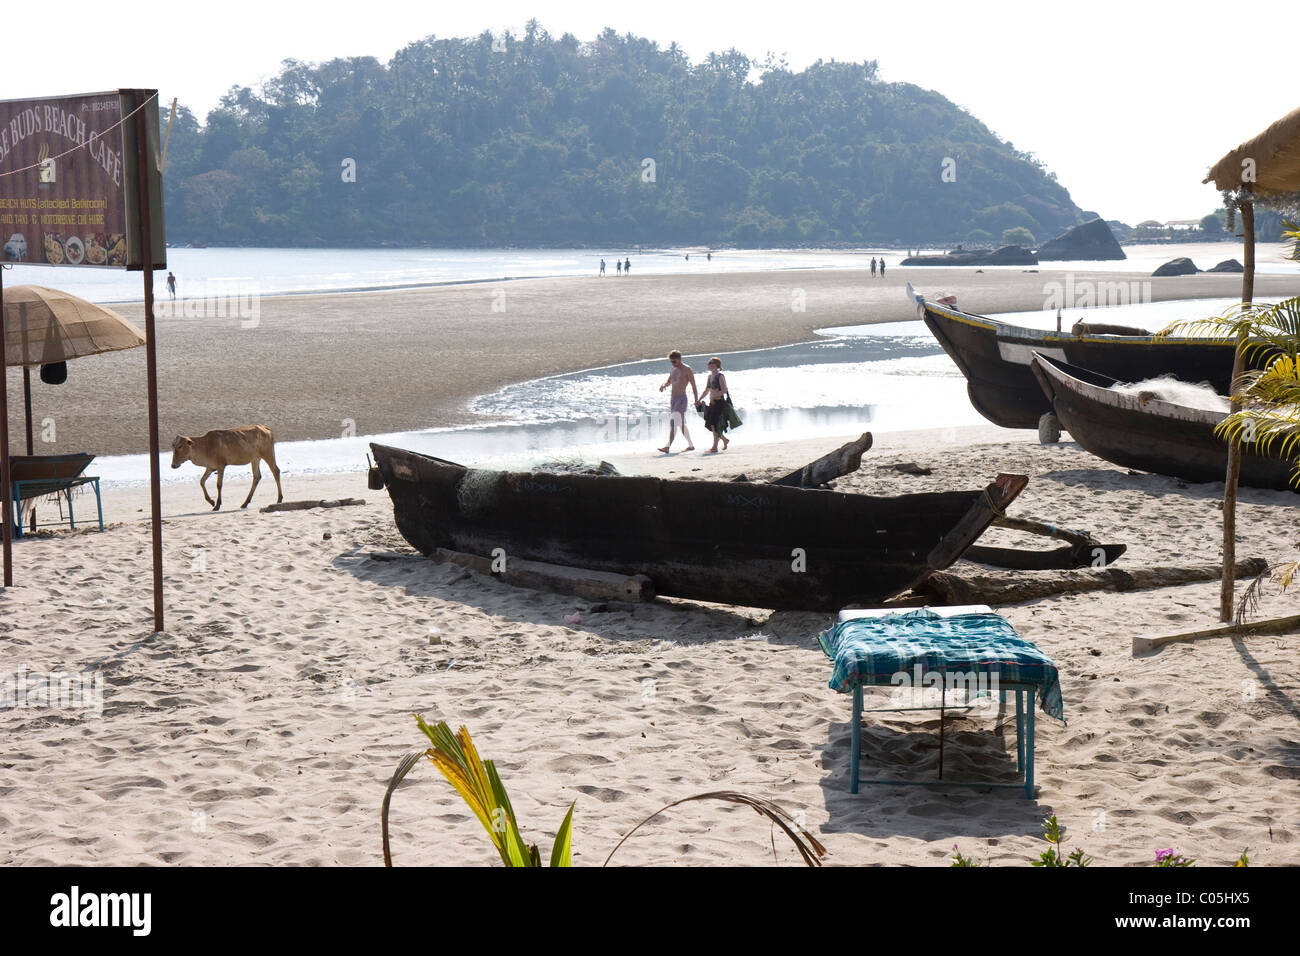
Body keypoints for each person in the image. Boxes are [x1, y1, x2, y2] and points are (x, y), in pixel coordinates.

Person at [657, 350, 697, 453]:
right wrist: (663, 386)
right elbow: (669, 381)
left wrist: (696, 399)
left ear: (679, 359)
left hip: (681, 399)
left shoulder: (687, 369)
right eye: (671, 362)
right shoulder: (673, 369)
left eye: (674, 361)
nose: (673, 363)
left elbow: (693, 385)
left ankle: (667, 446)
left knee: (674, 422)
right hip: (673, 399)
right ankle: (691, 445)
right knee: (681, 424)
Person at [700, 357, 731, 453]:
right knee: (712, 425)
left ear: (717, 365)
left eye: (712, 363)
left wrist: (714, 397)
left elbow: (724, 390)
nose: (710, 364)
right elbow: (707, 390)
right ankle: (724, 440)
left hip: (719, 403)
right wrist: (699, 399)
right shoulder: (709, 377)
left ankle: (714, 447)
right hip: (712, 403)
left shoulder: (720, 376)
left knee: (714, 425)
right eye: (709, 363)